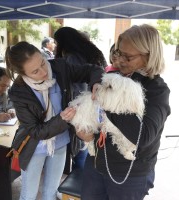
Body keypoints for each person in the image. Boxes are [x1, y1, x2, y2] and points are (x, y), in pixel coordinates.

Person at [77, 24, 171, 200]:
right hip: (97, 162)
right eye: (119, 53)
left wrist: (107, 98)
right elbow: (94, 72)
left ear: (149, 55)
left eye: (128, 57)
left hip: (129, 174)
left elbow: (143, 136)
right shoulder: (119, 75)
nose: (119, 60)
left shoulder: (157, 90)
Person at [5, 41, 103, 200]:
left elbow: (93, 69)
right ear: (23, 74)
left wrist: (96, 83)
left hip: (60, 143)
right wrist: (62, 119)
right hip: (34, 146)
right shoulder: (18, 91)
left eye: (43, 63)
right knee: (29, 195)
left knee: (50, 193)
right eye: (35, 71)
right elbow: (36, 131)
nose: (44, 72)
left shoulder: (60, 68)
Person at [54, 26, 107, 170]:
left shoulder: (71, 57)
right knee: (88, 144)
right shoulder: (93, 52)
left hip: (83, 105)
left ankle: (79, 181)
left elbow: (76, 88)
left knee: (81, 143)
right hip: (96, 104)